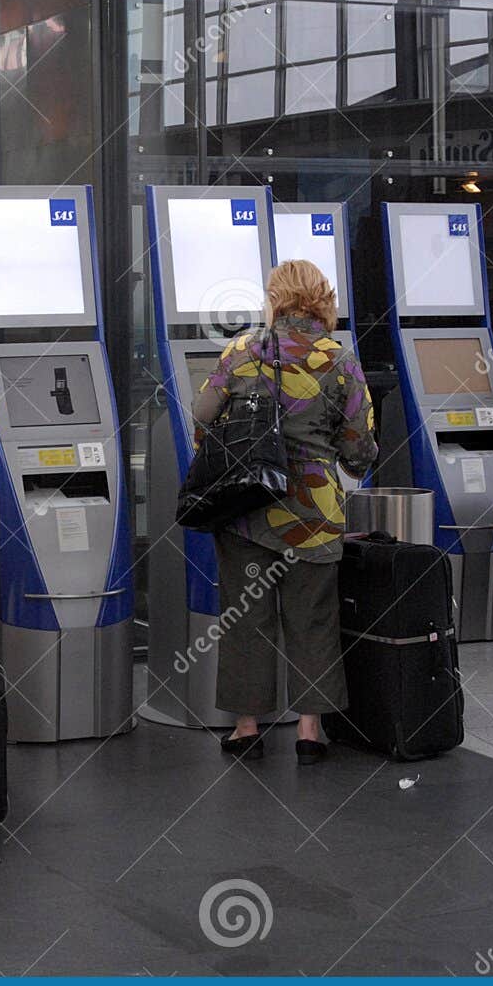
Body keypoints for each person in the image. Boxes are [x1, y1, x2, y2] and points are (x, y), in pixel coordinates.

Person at [191, 259, 377, 765]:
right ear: (322, 301)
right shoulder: (340, 360)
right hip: (312, 515)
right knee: (313, 618)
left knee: (246, 617)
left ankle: (247, 728)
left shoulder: (241, 350)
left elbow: (202, 416)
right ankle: (310, 730)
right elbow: (361, 447)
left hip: (247, 508)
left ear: (275, 300)